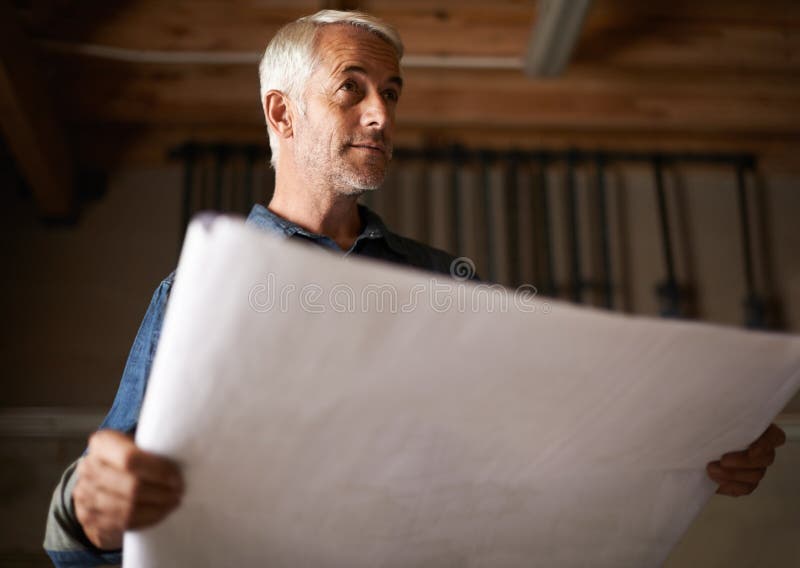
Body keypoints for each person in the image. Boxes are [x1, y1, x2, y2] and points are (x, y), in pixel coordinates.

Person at [43, 9, 787, 567]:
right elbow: (94, 522)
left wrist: (702, 450)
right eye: (353, 89)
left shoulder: (443, 282)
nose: (383, 114)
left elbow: (556, 443)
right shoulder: (197, 292)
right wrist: (86, 509)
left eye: (392, 92)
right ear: (281, 111)